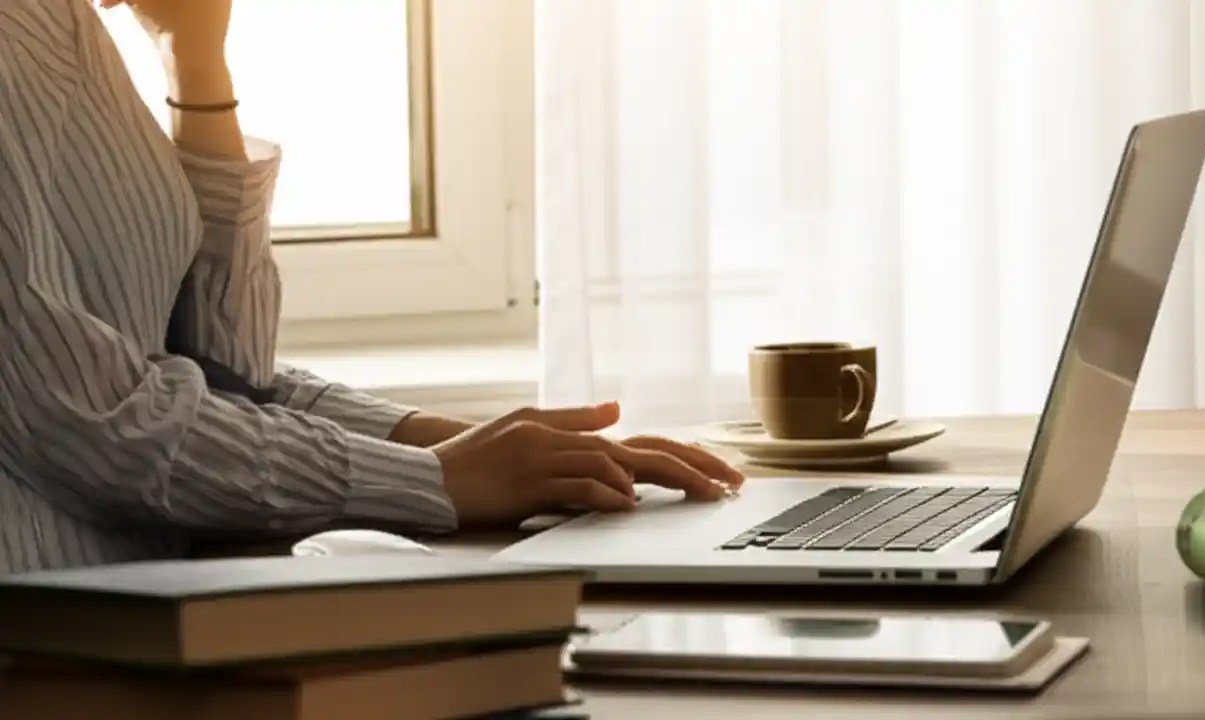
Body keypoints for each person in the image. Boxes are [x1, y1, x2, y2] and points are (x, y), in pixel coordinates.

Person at [0, 0, 743, 576]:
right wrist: (433, 477)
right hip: (64, 655)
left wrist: (195, 62)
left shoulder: (58, 26)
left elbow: (218, 368)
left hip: (161, 619)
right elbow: (92, 421)